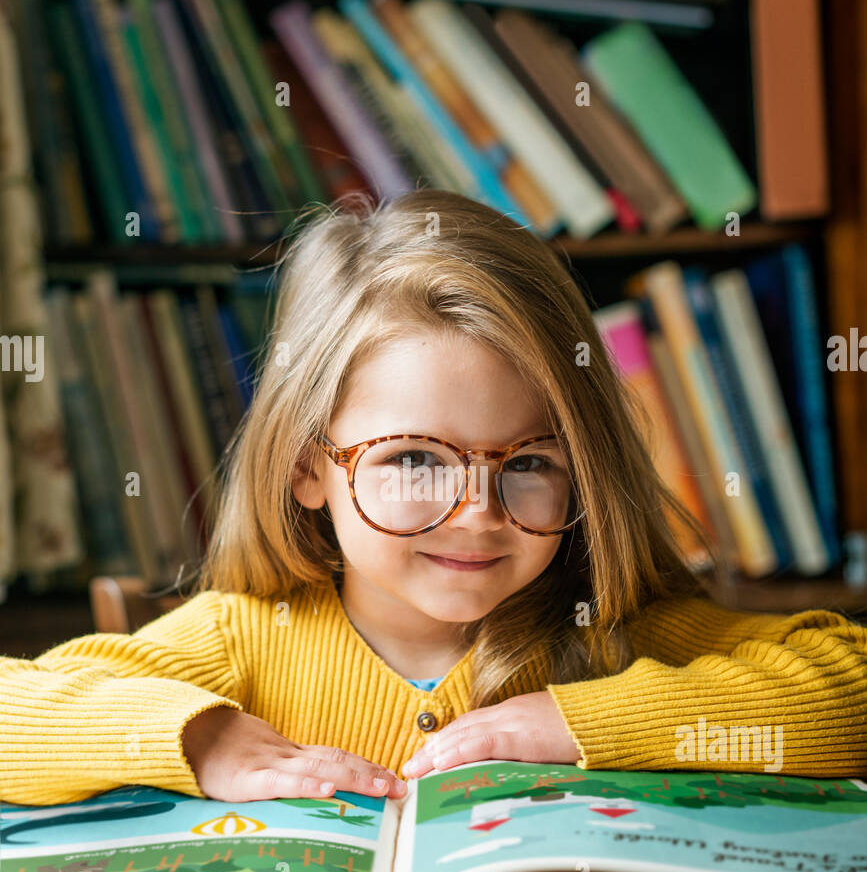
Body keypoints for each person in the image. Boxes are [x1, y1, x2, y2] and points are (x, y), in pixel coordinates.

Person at [3, 191, 865, 806]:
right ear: (309, 467)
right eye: (413, 459)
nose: (479, 514)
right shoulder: (244, 640)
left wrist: (583, 721)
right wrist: (200, 737)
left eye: (530, 462)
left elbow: (851, 683)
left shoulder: (606, 631)